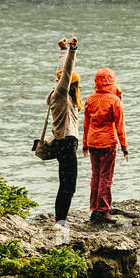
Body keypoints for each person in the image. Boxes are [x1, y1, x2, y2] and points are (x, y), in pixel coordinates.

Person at [82, 67, 128, 224]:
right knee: (106, 177)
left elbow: (86, 124)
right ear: (112, 81)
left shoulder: (90, 99)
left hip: (92, 142)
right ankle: (104, 210)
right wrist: (124, 147)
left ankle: (94, 209)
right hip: (108, 142)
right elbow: (120, 126)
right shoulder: (114, 100)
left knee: (95, 176)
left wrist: (84, 145)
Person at [47, 36, 82, 227]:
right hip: (66, 143)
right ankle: (61, 221)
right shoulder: (61, 94)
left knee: (65, 184)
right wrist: (72, 50)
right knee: (68, 186)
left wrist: (62, 51)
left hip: (64, 143)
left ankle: (60, 219)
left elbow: (61, 74)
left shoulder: (59, 94)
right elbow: (66, 73)